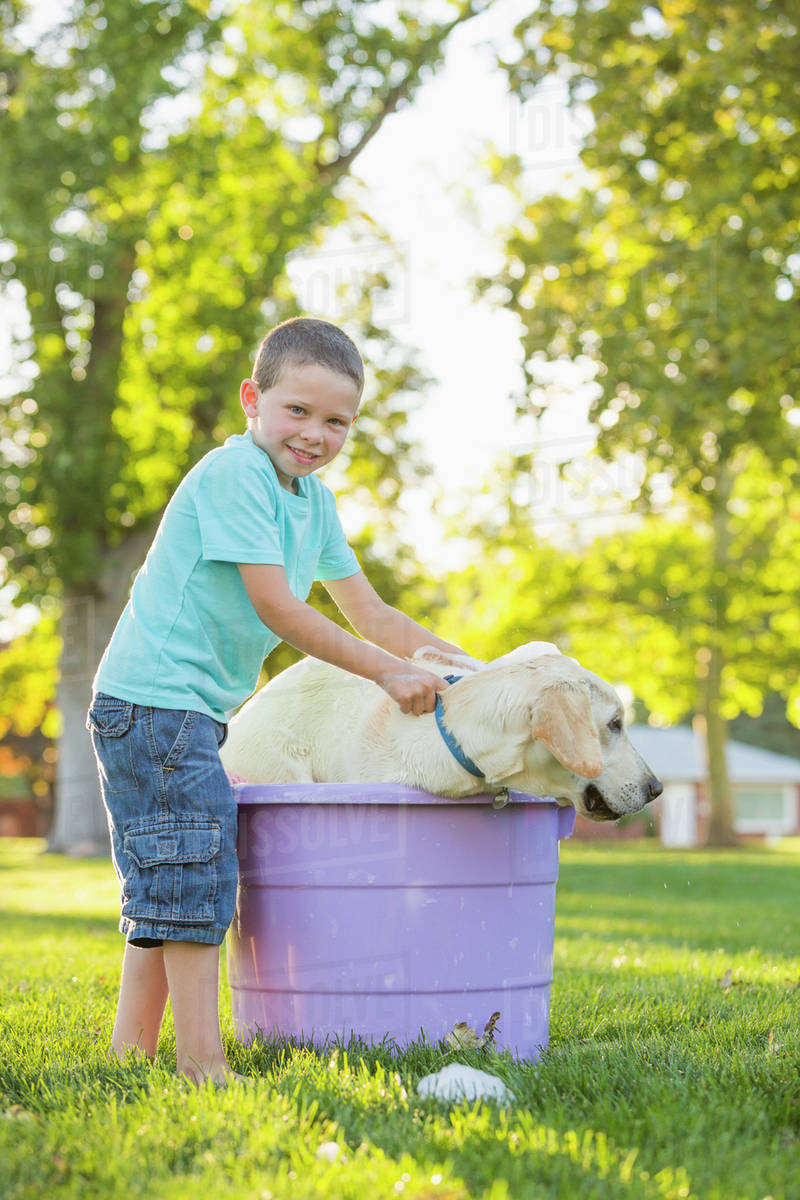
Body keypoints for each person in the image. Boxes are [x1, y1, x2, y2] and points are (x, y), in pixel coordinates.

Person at [86, 317, 467, 1084]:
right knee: (196, 879)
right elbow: (280, 610)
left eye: (337, 422)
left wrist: (466, 672)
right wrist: (387, 676)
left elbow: (374, 615)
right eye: (298, 410)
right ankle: (202, 1064)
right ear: (253, 399)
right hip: (155, 706)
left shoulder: (313, 504)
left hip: (188, 711)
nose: (315, 434)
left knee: (174, 876)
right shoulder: (236, 478)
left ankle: (130, 1055)